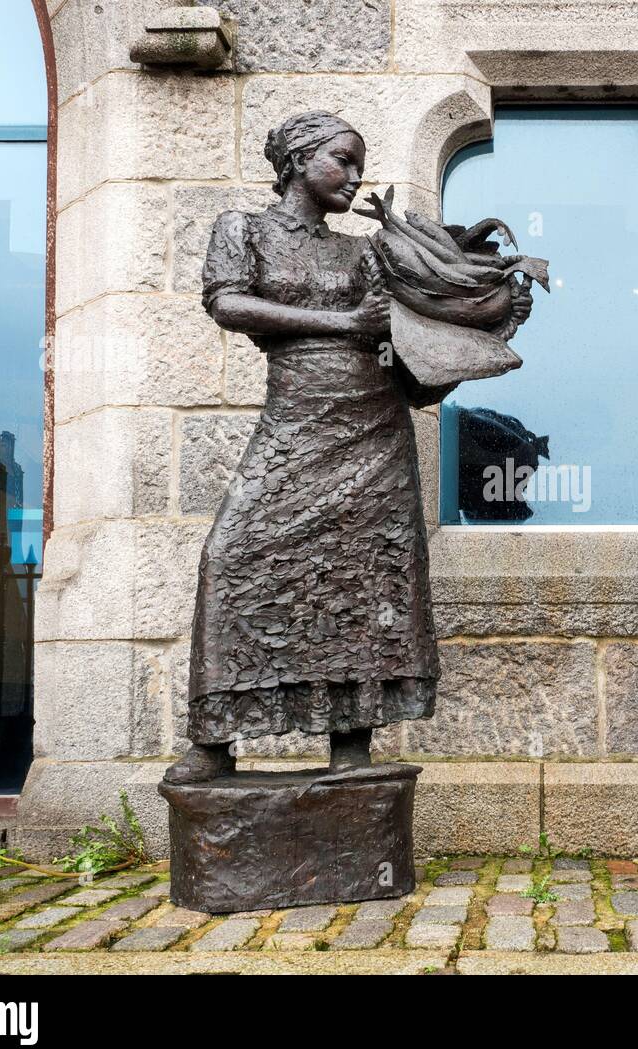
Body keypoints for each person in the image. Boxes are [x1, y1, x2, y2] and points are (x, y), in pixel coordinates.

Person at [166, 111, 448, 783]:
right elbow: (229, 303)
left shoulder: (362, 252)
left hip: (375, 426)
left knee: (363, 575)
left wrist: (473, 335)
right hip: (296, 420)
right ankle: (215, 741)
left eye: (359, 163)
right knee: (230, 557)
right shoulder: (246, 229)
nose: (354, 175)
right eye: (341, 159)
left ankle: (352, 744)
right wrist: (343, 321)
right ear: (297, 160)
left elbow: (408, 362)